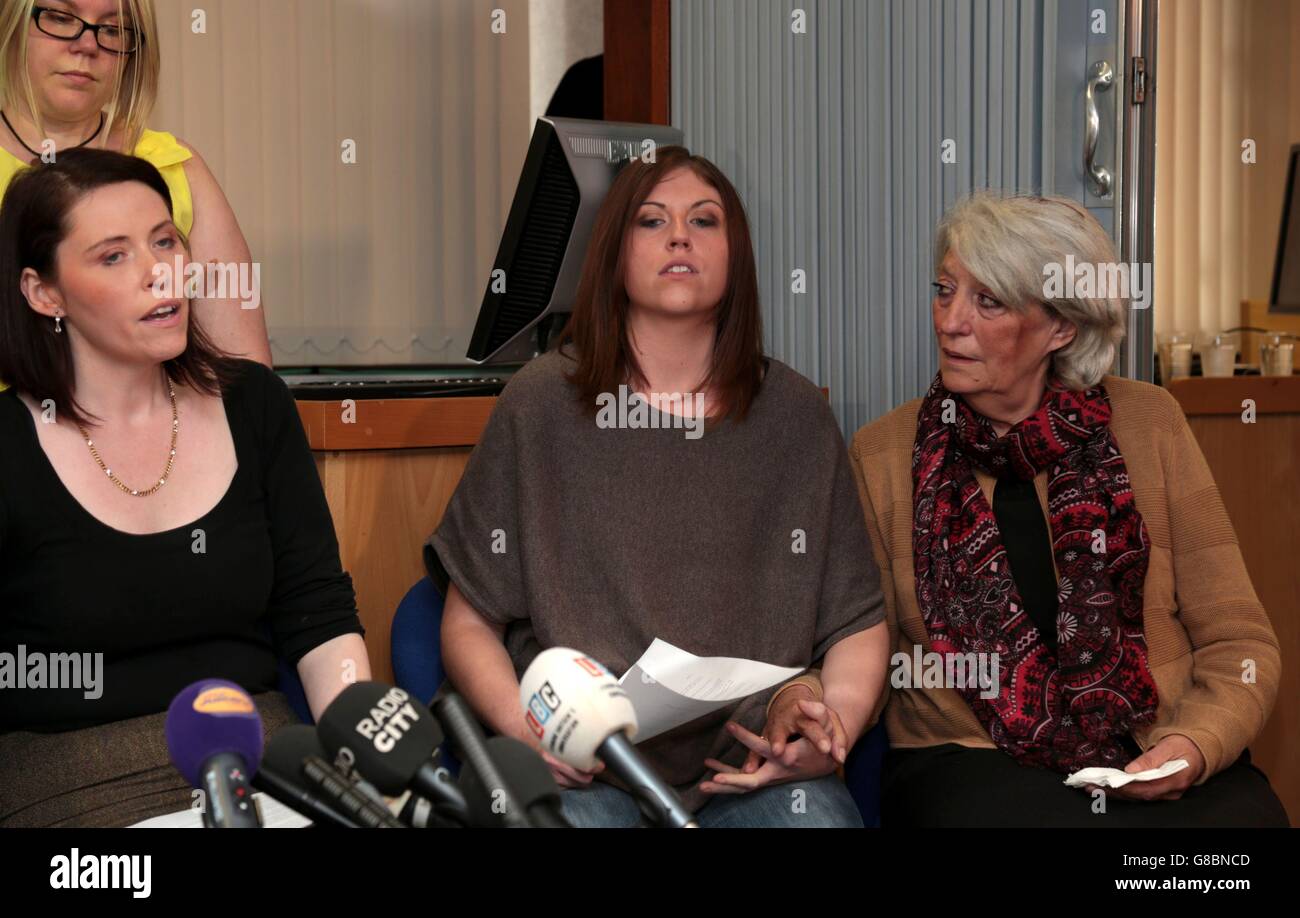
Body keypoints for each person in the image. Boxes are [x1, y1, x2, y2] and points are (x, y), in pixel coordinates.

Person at [425, 146, 889, 827]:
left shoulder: (795, 415)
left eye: (704, 221)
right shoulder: (541, 405)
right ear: (613, 252)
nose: (679, 236)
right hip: (581, 763)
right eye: (651, 221)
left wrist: (832, 730)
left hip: (747, 768)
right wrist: (526, 731)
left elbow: (857, 623)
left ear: (737, 257)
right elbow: (467, 624)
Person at [821, 191, 1286, 827]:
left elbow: (1239, 639)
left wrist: (1192, 747)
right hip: (974, 758)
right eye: (944, 289)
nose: (950, 321)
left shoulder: (1151, 425)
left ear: (1062, 327)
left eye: (988, 302)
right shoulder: (882, 455)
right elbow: (854, 644)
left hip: (1149, 738)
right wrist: (806, 703)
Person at [0, 148, 368, 827]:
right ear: (43, 292)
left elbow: (318, 615)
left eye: (165, 241)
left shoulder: (253, 404)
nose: (159, 271)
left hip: (261, 754)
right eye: (113, 256)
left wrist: (362, 753)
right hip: (76, 776)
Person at [0, 0, 270, 372]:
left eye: (113, 29)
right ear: (10, 23)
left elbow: (245, 374)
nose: (87, 45)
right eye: (60, 18)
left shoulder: (176, 166)